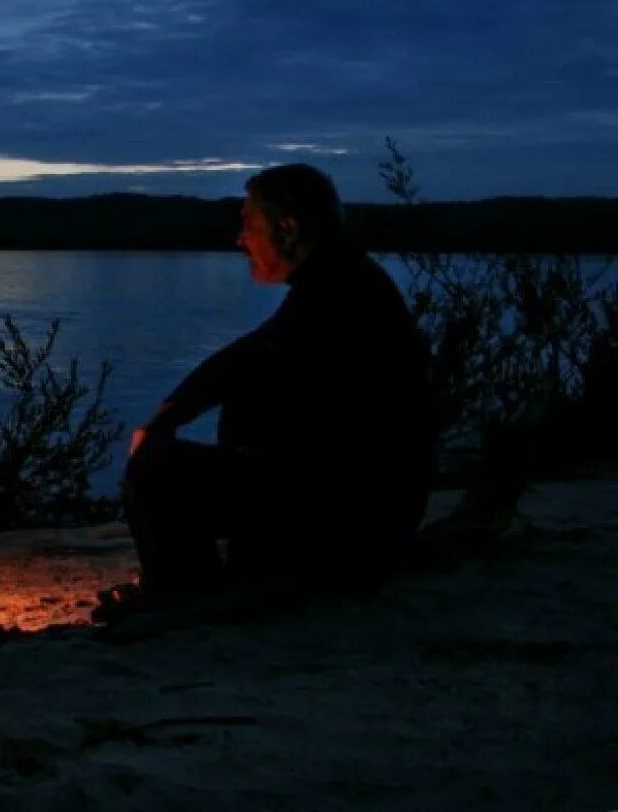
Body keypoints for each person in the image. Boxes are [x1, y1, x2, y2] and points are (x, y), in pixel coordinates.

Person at [122, 163, 434, 598]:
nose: (240, 239)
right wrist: (170, 412)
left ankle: (181, 593)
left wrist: (159, 430)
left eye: (249, 224)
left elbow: (251, 364)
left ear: (286, 229)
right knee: (242, 395)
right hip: (367, 511)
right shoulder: (341, 283)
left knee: (155, 470)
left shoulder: (337, 294)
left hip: (353, 519)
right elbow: (242, 359)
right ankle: (230, 572)